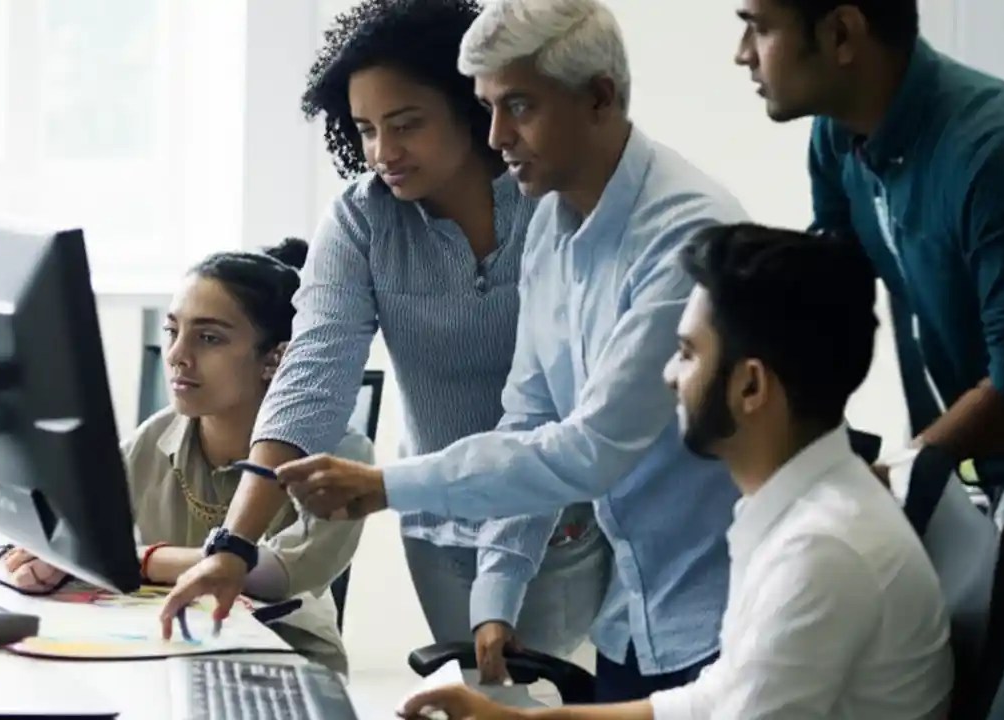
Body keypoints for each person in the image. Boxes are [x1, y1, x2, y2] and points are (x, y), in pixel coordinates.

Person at [254, 0, 751, 701]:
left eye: (516, 106)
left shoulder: (684, 232)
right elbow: (531, 413)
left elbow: (590, 448)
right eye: (488, 107)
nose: (497, 135)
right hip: (635, 613)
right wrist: (499, 587)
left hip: (713, 601)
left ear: (599, 98)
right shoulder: (554, 215)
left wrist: (387, 487)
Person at [159, 0, 610, 684]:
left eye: (406, 125)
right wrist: (234, 547)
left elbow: (562, 399)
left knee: (539, 706)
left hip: (561, 521)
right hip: (438, 522)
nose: (382, 152)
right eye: (365, 129)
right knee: (478, 699)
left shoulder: (555, 205)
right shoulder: (362, 221)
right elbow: (312, 377)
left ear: (471, 108)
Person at [398, 223, 954, 720]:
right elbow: (714, 699)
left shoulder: (820, 551)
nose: (667, 375)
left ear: (751, 386)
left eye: (687, 353)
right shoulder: (799, 509)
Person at [1, 240, 372, 674]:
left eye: (209, 338)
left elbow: (276, 571)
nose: (177, 355)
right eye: (173, 331)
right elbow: (79, 520)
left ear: (276, 358)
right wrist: (50, 545)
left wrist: (132, 559)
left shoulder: (341, 454)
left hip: (285, 661)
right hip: (172, 646)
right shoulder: (157, 435)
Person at [733, 0, 1004, 494]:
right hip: (983, 478)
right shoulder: (836, 133)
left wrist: (891, 475)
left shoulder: (998, 156)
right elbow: (831, 295)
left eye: (759, 28)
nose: (742, 54)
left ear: (841, 34)